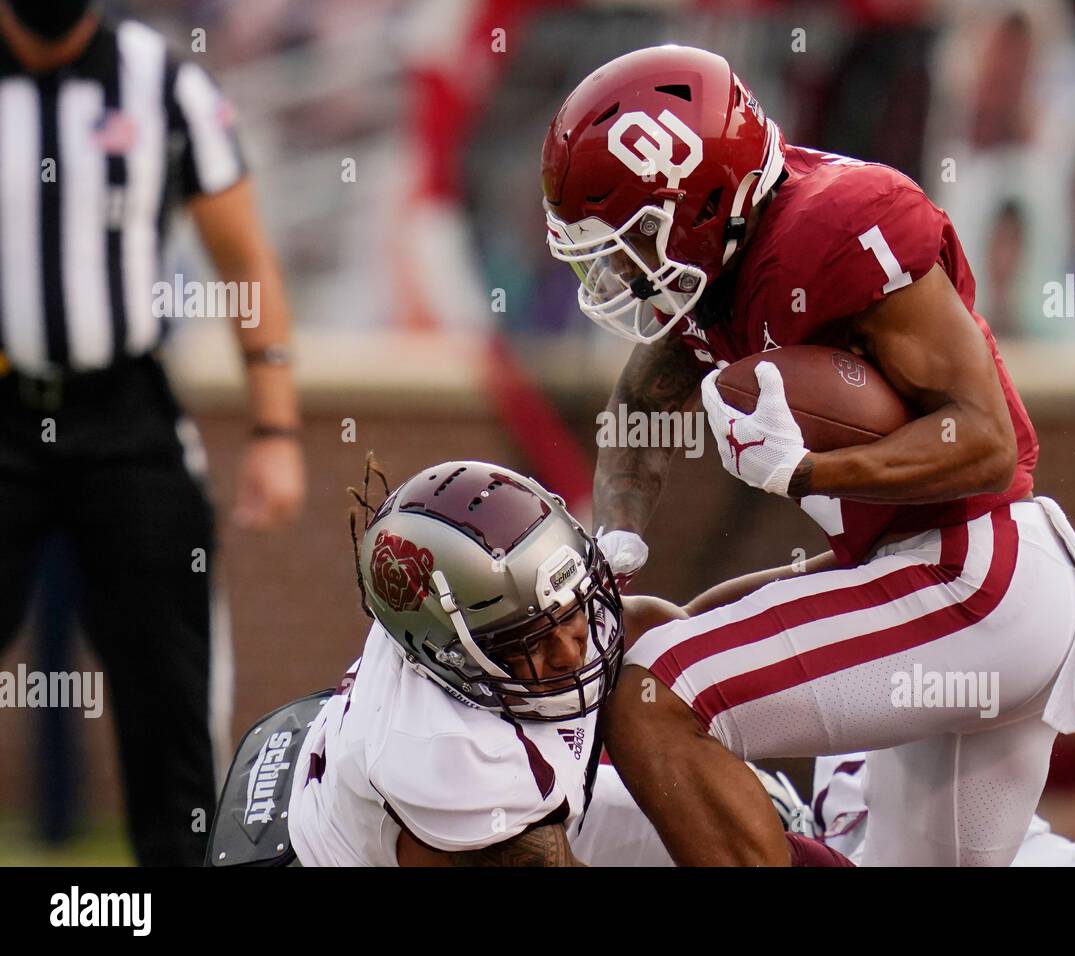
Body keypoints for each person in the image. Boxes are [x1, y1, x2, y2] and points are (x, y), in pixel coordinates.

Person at [542, 45, 1075, 866]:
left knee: (656, 688)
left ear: (701, 200)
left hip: (972, 573)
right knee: (659, 634)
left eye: (635, 242)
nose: (623, 271)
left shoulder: (839, 228)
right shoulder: (721, 266)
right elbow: (638, 402)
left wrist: (811, 472)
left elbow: (987, 443)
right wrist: (615, 539)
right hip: (937, 578)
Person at [0, 0, 304, 864]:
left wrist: (276, 429)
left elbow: (245, 258)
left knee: (172, 700)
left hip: (124, 413)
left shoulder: (164, 80)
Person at [285, 459, 849, 867]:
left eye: (572, 610)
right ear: (453, 656)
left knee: (765, 825)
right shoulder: (455, 765)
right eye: (529, 640)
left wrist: (850, 571)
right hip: (409, 849)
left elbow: (686, 631)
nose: (570, 648)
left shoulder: (520, 611)